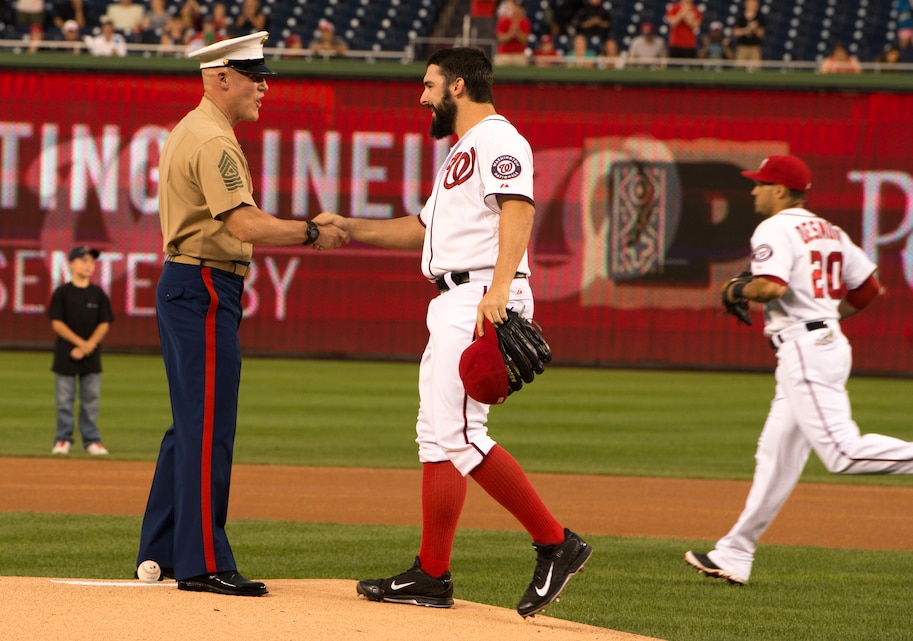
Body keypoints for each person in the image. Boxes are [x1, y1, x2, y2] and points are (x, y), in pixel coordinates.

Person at [313, 46, 592, 618]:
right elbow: (422, 229)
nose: (422, 96)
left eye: (429, 84)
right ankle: (431, 575)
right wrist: (351, 227)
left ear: (458, 85)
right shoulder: (461, 151)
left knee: (462, 434)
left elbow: (518, 208)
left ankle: (556, 543)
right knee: (436, 436)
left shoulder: (497, 138)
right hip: (454, 297)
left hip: (480, 294)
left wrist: (499, 288)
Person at [135, 31, 347, 596]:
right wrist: (310, 232)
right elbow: (245, 224)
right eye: (255, 78)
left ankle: (160, 552)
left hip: (189, 281)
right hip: (205, 283)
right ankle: (204, 563)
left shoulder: (193, 127)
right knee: (207, 428)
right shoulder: (213, 140)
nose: (264, 88)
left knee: (190, 425)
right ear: (222, 77)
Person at [684, 154, 913, 586]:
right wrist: (826, 319)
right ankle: (734, 553)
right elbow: (868, 288)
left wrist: (736, 288)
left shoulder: (774, 227)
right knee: (776, 457)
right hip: (819, 343)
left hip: (807, 349)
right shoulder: (830, 230)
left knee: (843, 454)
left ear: (780, 190)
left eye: (760, 184)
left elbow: (770, 287)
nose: (754, 190)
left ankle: (736, 551)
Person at [48, 246, 114, 457]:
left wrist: (88, 346)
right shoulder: (62, 292)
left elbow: (104, 323)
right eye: (83, 260)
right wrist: (80, 344)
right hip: (66, 354)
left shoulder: (98, 293)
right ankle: (63, 439)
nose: (88, 265)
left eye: (91, 261)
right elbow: (57, 323)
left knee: (90, 401)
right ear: (71, 264)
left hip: (91, 355)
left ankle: (91, 440)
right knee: (64, 402)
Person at [493, 0, 530, 66]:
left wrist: (518, 32)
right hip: (504, 55)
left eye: (519, 8)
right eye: (515, 7)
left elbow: (525, 40)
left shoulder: (525, 22)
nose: (516, 10)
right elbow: (500, 39)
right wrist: (511, 32)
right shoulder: (503, 21)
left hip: (519, 55)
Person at [732, 0, 765, 70]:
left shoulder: (760, 18)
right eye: (750, 4)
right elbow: (736, 32)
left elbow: (761, 34)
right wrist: (747, 29)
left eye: (754, 4)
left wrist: (754, 28)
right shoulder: (740, 17)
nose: (751, 6)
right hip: (742, 47)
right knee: (739, 69)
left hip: (754, 47)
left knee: (756, 69)